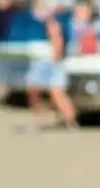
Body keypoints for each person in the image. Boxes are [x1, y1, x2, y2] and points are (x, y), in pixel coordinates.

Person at [24, 0, 78, 129]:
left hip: (47, 60)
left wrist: (55, 57)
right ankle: (67, 118)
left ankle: (66, 118)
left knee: (47, 90)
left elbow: (56, 38)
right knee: (53, 91)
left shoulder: (51, 21)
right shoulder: (48, 21)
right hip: (48, 60)